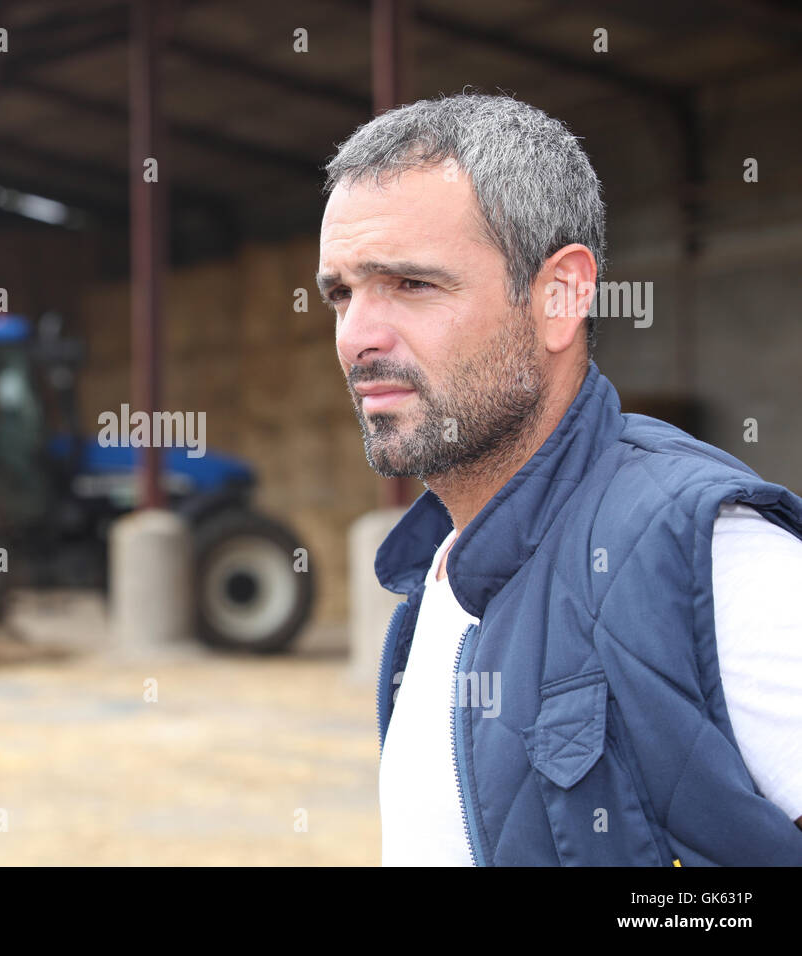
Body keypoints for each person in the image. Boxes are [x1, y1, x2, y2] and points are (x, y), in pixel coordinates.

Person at [317, 92, 802, 866]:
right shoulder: (434, 583)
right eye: (341, 292)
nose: (358, 337)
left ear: (562, 295)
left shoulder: (712, 560)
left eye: (410, 284)